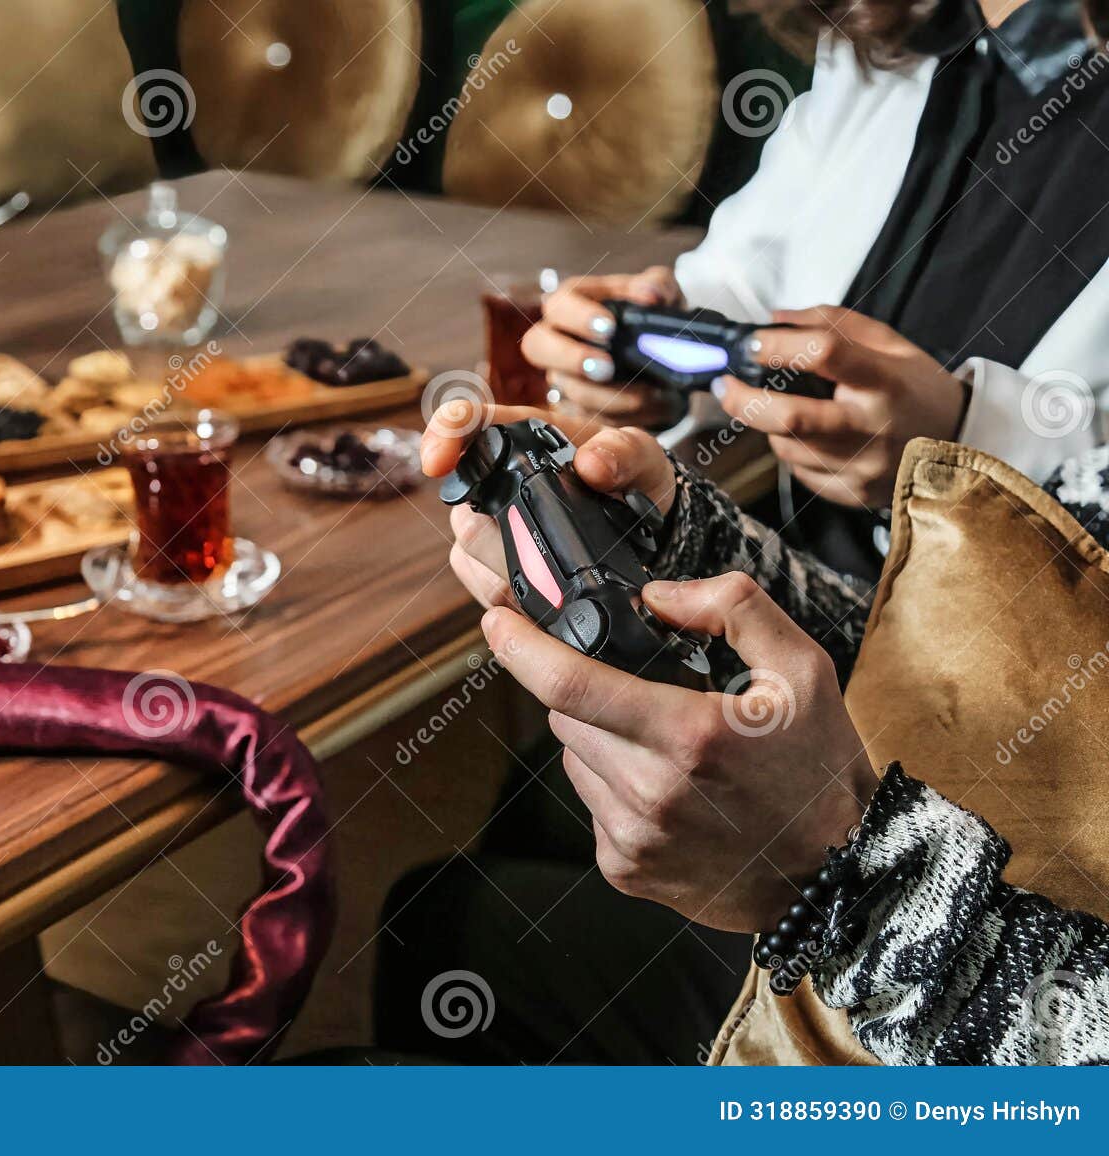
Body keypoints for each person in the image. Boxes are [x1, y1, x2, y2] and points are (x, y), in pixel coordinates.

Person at [372, 401, 1109, 1065]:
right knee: (465, 884)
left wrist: (854, 887)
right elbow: (966, 655)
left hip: (920, 1005)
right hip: (916, 851)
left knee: (439, 940)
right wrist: (680, 552)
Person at [527, 0, 1109, 577]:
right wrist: (663, 344)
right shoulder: (888, 29)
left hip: (1010, 617)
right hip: (798, 579)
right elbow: (753, 273)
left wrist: (966, 451)